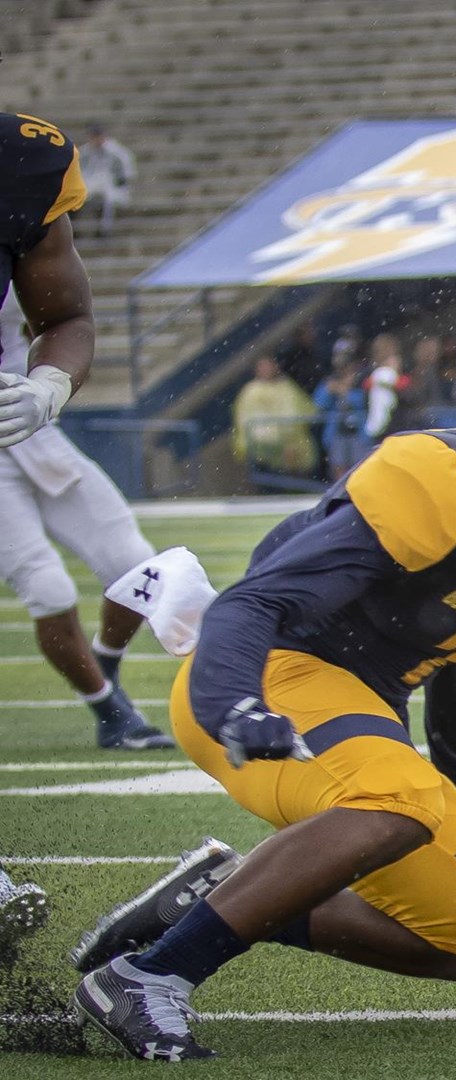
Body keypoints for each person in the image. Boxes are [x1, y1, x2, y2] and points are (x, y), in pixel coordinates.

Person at [69, 332, 456, 1061]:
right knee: (395, 807)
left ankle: (219, 904)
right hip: (276, 670)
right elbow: (254, 603)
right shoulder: (442, 483)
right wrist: (237, 707)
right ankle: (152, 975)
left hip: (365, 705)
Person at [0, 112, 173, 756]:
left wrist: (48, 389)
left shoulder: (27, 183)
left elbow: (68, 317)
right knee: (44, 586)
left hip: (25, 417)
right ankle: (109, 711)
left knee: (134, 566)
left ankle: (109, 662)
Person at [230, 355, 318, 479]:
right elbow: (243, 417)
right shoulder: (250, 391)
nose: (267, 370)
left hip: (288, 447)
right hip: (260, 448)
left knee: (290, 479)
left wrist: (288, 438)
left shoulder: (286, 388)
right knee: (267, 479)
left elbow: (301, 410)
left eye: (268, 366)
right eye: (263, 367)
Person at [75, 124, 135, 238]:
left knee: (108, 200)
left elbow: (126, 174)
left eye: (98, 136)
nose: (96, 139)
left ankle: (104, 231)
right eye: (93, 136)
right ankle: (73, 232)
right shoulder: (85, 152)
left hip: (112, 185)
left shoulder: (117, 152)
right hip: (91, 184)